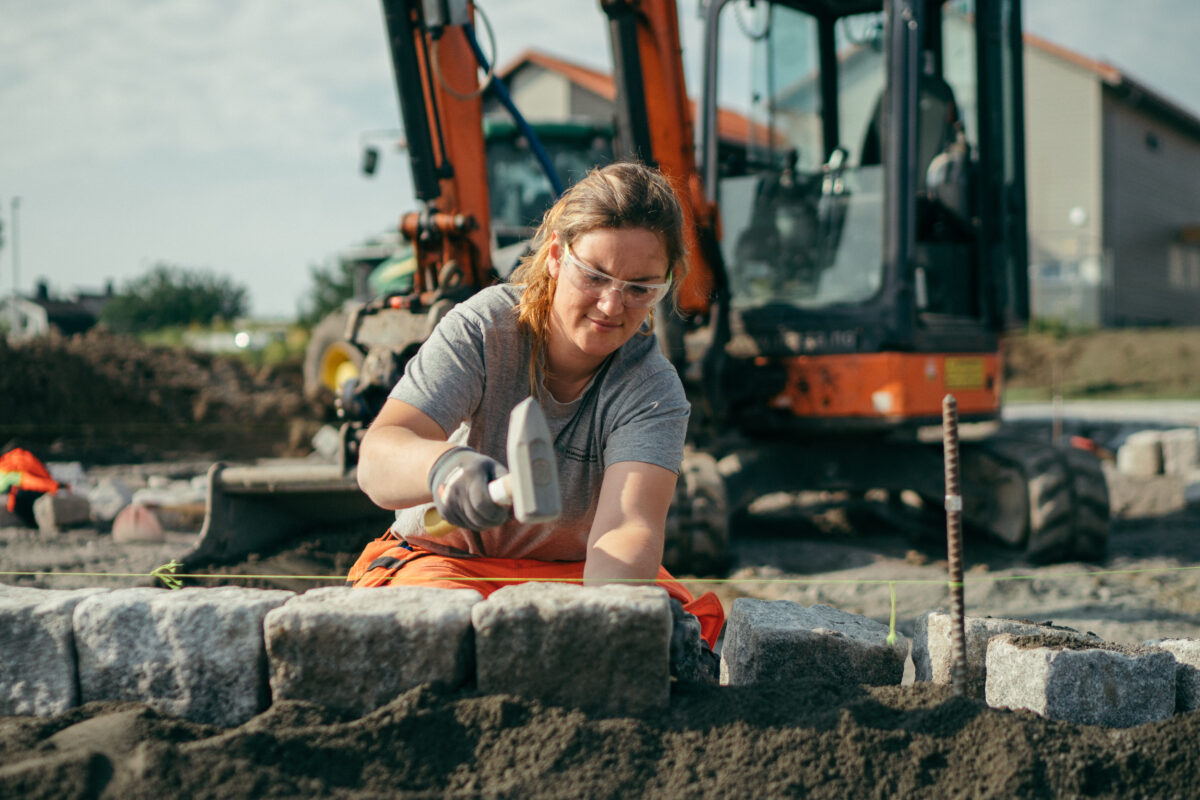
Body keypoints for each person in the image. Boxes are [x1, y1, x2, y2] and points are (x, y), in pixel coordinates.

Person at [348, 161, 724, 650]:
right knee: (436, 636)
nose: (612, 306)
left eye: (639, 288)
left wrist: (604, 620)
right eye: (595, 276)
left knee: (680, 636)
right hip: (445, 562)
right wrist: (446, 469)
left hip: (577, 575)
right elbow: (378, 457)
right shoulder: (484, 329)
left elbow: (628, 528)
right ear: (555, 257)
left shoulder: (652, 388)